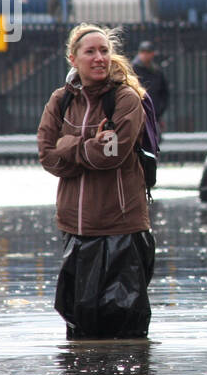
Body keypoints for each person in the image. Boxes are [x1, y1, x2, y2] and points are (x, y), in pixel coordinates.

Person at [38, 23, 155, 340]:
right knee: (80, 328)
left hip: (122, 230)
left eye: (104, 50)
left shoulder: (126, 99)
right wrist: (89, 143)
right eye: (90, 51)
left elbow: (112, 155)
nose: (99, 57)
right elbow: (47, 155)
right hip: (76, 231)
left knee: (125, 333)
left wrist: (70, 145)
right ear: (73, 59)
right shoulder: (60, 100)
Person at [131, 40, 169, 126]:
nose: (145, 55)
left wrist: (159, 112)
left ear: (152, 54)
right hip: (137, 114)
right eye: (143, 52)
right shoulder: (132, 70)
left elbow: (164, 93)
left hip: (154, 115)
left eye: (147, 52)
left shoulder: (156, 71)